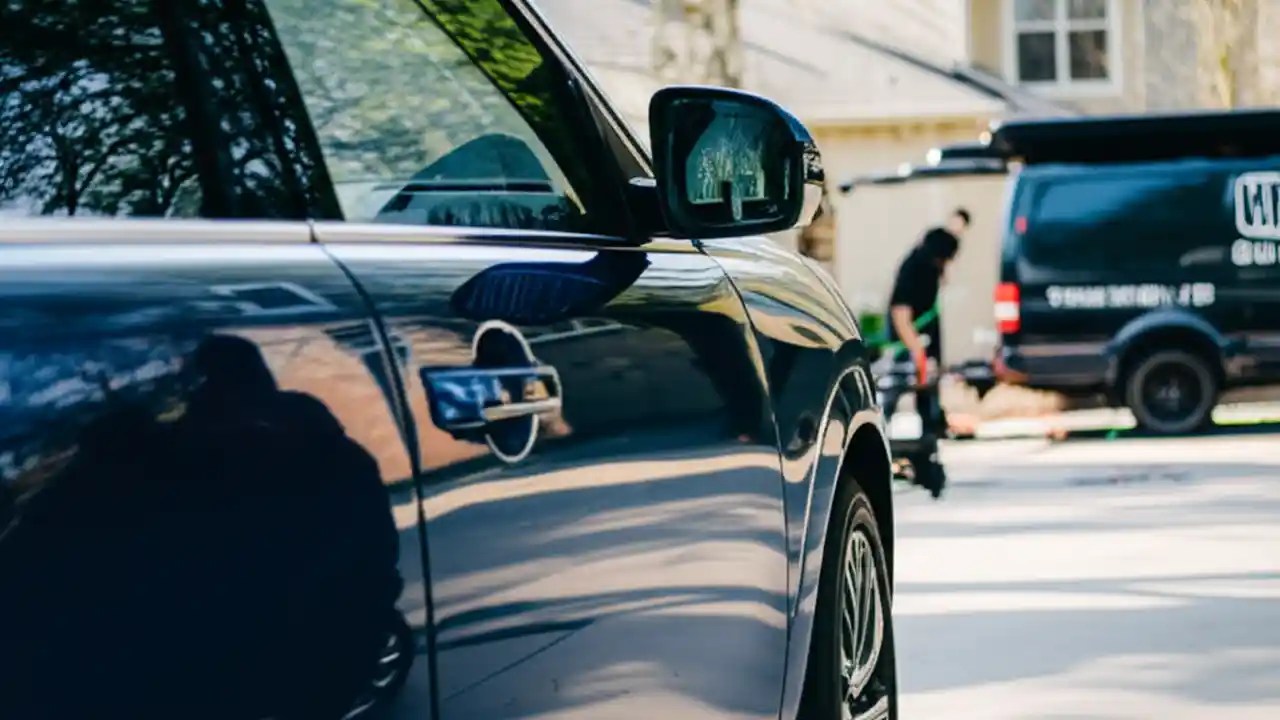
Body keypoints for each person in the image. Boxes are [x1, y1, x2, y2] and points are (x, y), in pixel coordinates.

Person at [883, 207, 968, 498]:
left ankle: (928, 455)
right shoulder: (915, 268)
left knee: (928, 401)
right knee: (894, 394)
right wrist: (918, 354)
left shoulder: (932, 265)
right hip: (907, 345)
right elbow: (900, 315)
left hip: (924, 345)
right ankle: (881, 446)